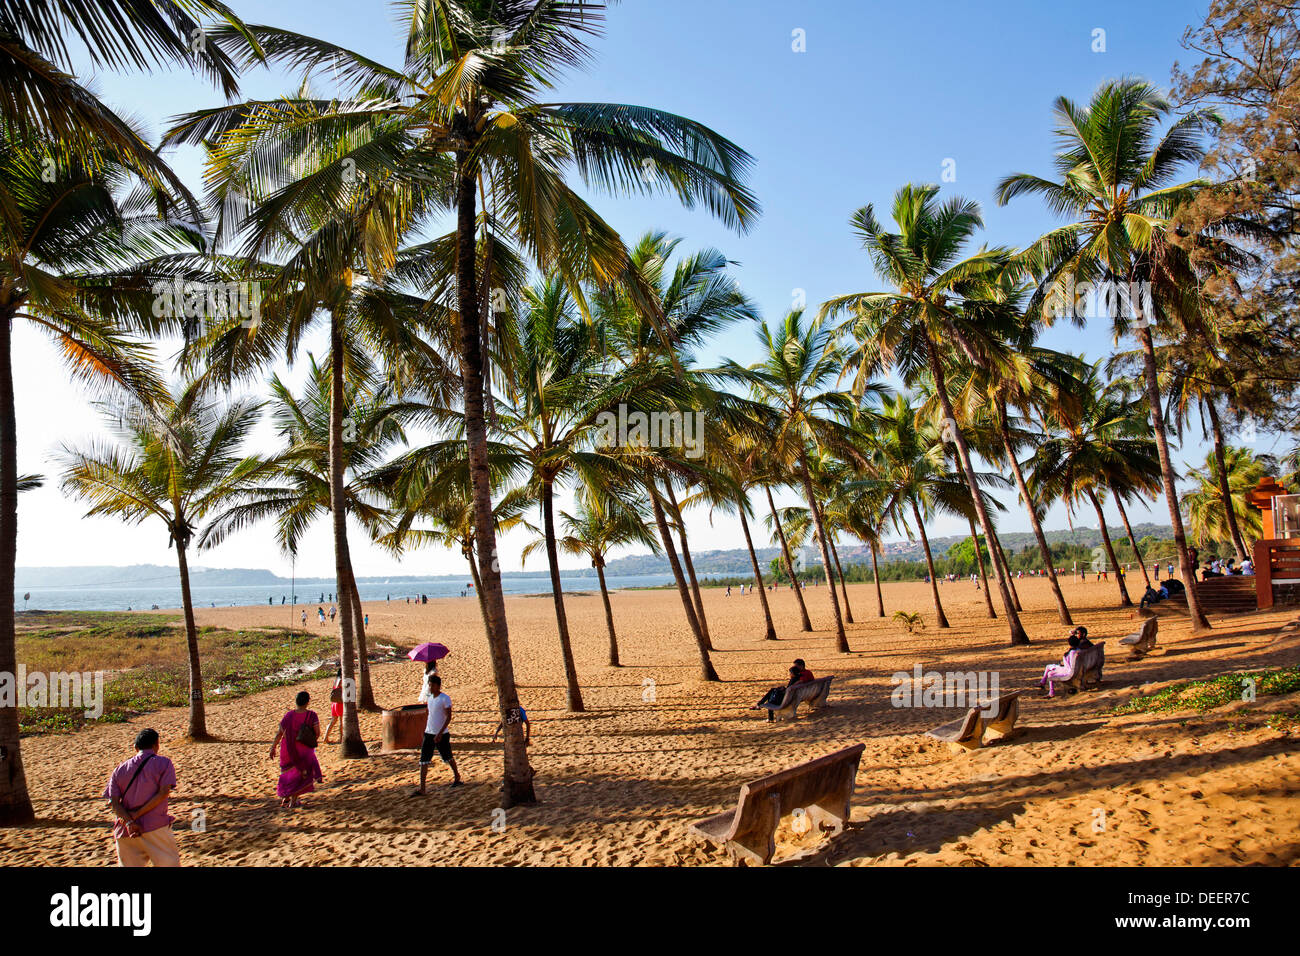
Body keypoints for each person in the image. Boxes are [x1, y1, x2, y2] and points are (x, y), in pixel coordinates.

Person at [104, 728, 179, 867]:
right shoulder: (164, 763)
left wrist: (129, 822)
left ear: (135, 747)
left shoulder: (119, 769)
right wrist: (137, 814)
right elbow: (163, 793)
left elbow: (113, 803)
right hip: (155, 827)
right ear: (156, 745)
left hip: (125, 831)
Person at [270, 691, 322, 809]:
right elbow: (317, 733)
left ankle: (285, 798)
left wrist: (273, 747)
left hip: (287, 749)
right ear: (308, 702)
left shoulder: (288, 716)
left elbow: (279, 733)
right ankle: (293, 801)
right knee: (299, 775)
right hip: (303, 749)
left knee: (287, 774)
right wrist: (309, 741)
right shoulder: (312, 715)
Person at [415, 675, 461, 792]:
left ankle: (457, 776)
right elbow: (429, 713)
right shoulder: (429, 697)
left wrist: (440, 733)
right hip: (429, 732)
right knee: (424, 759)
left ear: (438, 686)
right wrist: (425, 729)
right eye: (429, 685)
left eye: (432, 685)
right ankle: (422, 788)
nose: (430, 687)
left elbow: (448, 717)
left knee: (448, 756)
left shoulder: (444, 698)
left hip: (442, 734)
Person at [322, 664, 344, 744]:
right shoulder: (342, 679)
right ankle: (341, 738)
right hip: (340, 702)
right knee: (342, 721)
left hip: (334, 703)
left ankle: (325, 737)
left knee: (333, 721)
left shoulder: (336, 679)